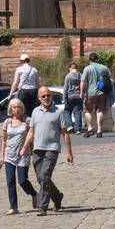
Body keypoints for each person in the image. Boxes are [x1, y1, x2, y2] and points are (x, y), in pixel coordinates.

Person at [22, 86, 73, 214]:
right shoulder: (35, 112)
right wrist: (24, 147)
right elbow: (31, 131)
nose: (46, 98)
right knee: (42, 179)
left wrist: (69, 152)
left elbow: (65, 133)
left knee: (44, 176)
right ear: (39, 98)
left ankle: (42, 207)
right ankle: (57, 196)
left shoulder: (58, 112)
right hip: (37, 149)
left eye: (48, 95)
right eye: (43, 96)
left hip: (52, 149)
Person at [0, 98, 38, 213]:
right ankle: (13, 207)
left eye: (18, 107)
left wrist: (30, 148)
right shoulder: (7, 122)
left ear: (22, 108)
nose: (16, 109)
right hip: (9, 155)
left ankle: (34, 194)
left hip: (23, 155)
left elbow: (31, 135)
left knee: (22, 180)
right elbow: (4, 140)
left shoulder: (27, 120)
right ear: (11, 109)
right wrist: (2, 156)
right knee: (10, 182)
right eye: (14, 107)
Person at [80, 51, 110, 138]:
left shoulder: (87, 69)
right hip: (102, 92)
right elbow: (108, 79)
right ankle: (99, 130)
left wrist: (81, 92)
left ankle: (90, 129)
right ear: (97, 59)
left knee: (88, 111)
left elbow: (82, 82)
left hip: (90, 93)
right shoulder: (104, 68)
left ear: (89, 60)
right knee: (100, 111)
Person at [62, 61, 83, 134]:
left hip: (70, 96)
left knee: (66, 111)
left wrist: (65, 100)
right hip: (78, 96)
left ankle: (69, 125)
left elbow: (65, 89)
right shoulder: (81, 75)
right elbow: (84, 86)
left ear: (70, 68)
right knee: (77, 112)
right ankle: (78, 129)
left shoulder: (68, 76)